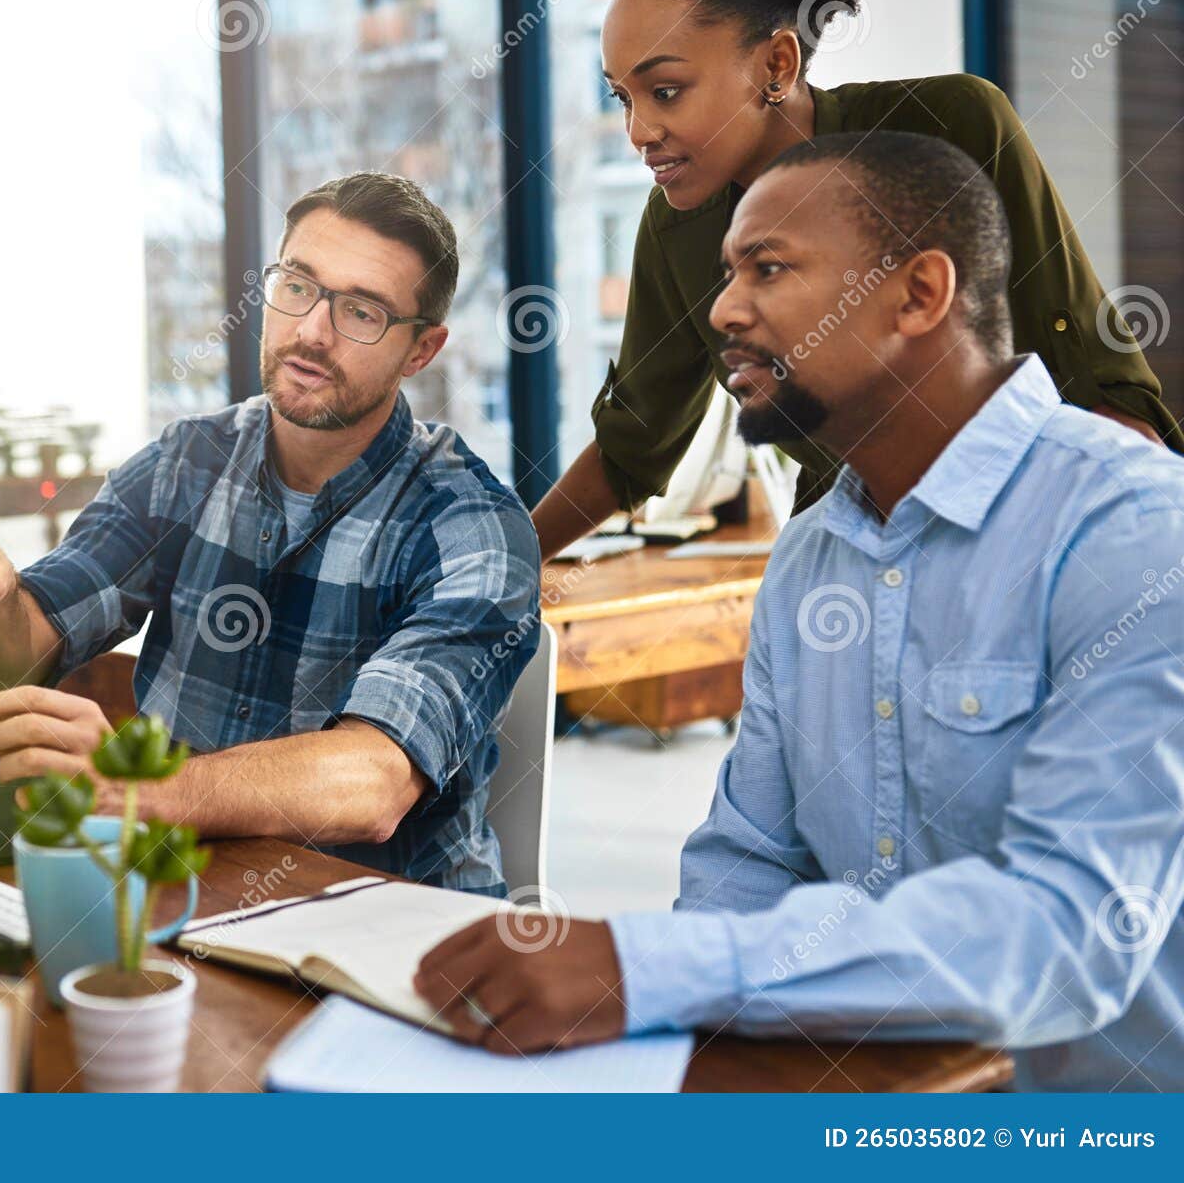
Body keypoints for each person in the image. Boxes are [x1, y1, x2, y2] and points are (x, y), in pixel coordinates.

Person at [416, 132, 1184, 1091]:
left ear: (919, 295)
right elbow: (746, 863)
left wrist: (641, 967)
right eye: (728, 271)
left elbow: (1070, 932)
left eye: (767, 270)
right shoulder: (810, 558)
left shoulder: (1139, 531)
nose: (724, 310)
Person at [0, 173, 541, 894]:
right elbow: (3, 665)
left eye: (363, 312)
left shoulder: (472, 525)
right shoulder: (187, 462)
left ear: (421, 350)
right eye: (297, 286)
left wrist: (141, 791)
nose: (312, 330)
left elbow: (376, 780)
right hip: (190, 895)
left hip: (397, 939)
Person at [532, 0, 1180, 561]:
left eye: (667, 90)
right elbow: (632, 448)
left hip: (1039, 533)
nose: (639, 130)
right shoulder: (675, 228)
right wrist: (496, 569)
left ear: (777, 62)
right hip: (854, 557)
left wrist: (1125, 565)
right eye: (622, 97)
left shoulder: (953, 126)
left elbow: (1103, 388)